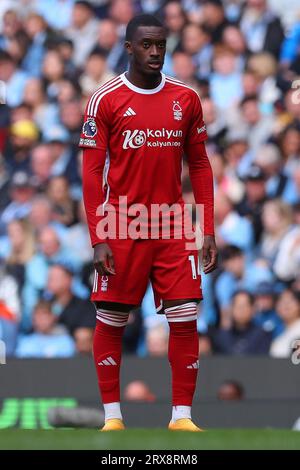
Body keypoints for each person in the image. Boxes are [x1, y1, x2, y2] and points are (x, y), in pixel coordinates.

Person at [80, 14, 217, 432]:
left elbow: (199, 163)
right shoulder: (105, 100)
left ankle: (182, 417)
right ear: (128, 47)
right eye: (146, 45)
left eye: (161, 44)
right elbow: (89, 172)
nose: (155, 52)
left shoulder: (186, 98)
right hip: (122, 223)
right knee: (112, 319)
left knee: (186, 314)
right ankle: (112, 417)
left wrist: (207, 226)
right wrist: (98, 236)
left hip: (173, 223)